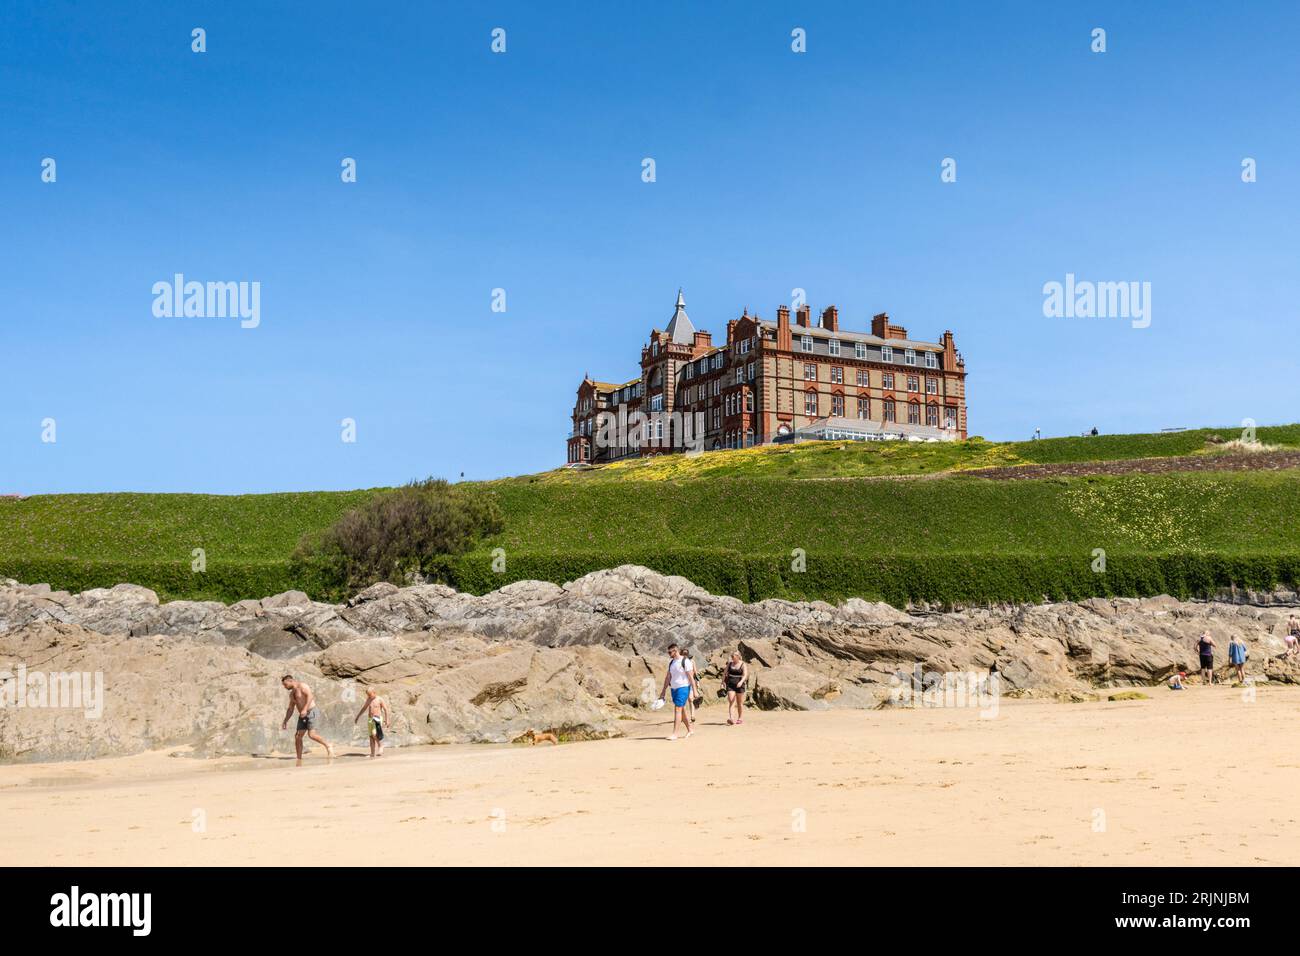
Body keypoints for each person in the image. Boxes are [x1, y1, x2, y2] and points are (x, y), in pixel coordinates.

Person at [281, 674, 334, 761]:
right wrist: (285, 720)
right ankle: (299, 758)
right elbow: (290, 708)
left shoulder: (302, 686)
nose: (284, 687)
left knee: (312, 735)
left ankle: (328, 745)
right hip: (302, 715)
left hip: (311, 711)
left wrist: (305, 709)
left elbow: (310, 696)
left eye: (285, 684)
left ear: (290, 681)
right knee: (298, 736)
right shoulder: (292, 694)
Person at [657, 643, 696, 740]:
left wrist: (695, 690)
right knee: (682, 711)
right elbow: (668, 677)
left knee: (677, 709)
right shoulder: (671, 662)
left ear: (675, 651)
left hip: (683, 688)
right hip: (674, 689)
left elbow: (691, 677)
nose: (668, 654)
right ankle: (690, 729)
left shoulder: (685, 661)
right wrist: (663, 691)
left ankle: (675, 733)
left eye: (670, 652)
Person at [354, 688, 390, 758]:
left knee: (374, 733)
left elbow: (386, 709)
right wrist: (358, 716)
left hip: (377, 718)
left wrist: (387, 719)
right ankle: (372, 753)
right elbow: (364, 708)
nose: (369, 696)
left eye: (370, 694)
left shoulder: (379, 699)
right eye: (368, 695)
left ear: (374, 692)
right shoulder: (368, 699)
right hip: (370, 719)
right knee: (371, 736)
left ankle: (380, 745)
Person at [724, 651, 748, 725]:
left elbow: (745, 675)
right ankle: (731, 718)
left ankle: (740, 718)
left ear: (738, 657)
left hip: (740, 685)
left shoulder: (743, 664)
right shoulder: (730, 664)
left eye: (733, 657)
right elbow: (724, 673)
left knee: (739, 702)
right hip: (730, 684)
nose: (732, 658)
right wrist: (722, 682)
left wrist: (741, 682)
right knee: (731, 700)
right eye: (732, 657)